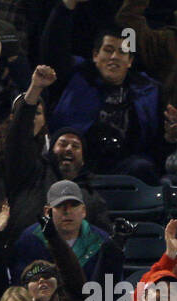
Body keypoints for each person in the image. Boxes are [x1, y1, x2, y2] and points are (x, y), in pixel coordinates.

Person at [40, 18, 165, 180]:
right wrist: (66, 9)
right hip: (77, 162)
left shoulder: (148, 91)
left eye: (122, 52)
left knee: (143, 167)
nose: (114, 57)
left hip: (125, 165)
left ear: (130, 61)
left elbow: (156, 141)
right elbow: (54, 48)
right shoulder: (75, 77)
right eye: (108, 50)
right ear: (95, 55)